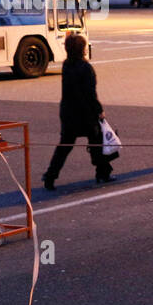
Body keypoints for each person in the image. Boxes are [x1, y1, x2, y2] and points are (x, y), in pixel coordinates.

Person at [42, 34, 114, 189]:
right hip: (85, 113)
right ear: (82, 49)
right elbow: (90, 93)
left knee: (65, 145)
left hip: (68, 111)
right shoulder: (86, 68)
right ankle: (103, 172)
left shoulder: (67, 65)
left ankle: (50, 175)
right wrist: (99, 110)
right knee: (96, 140)